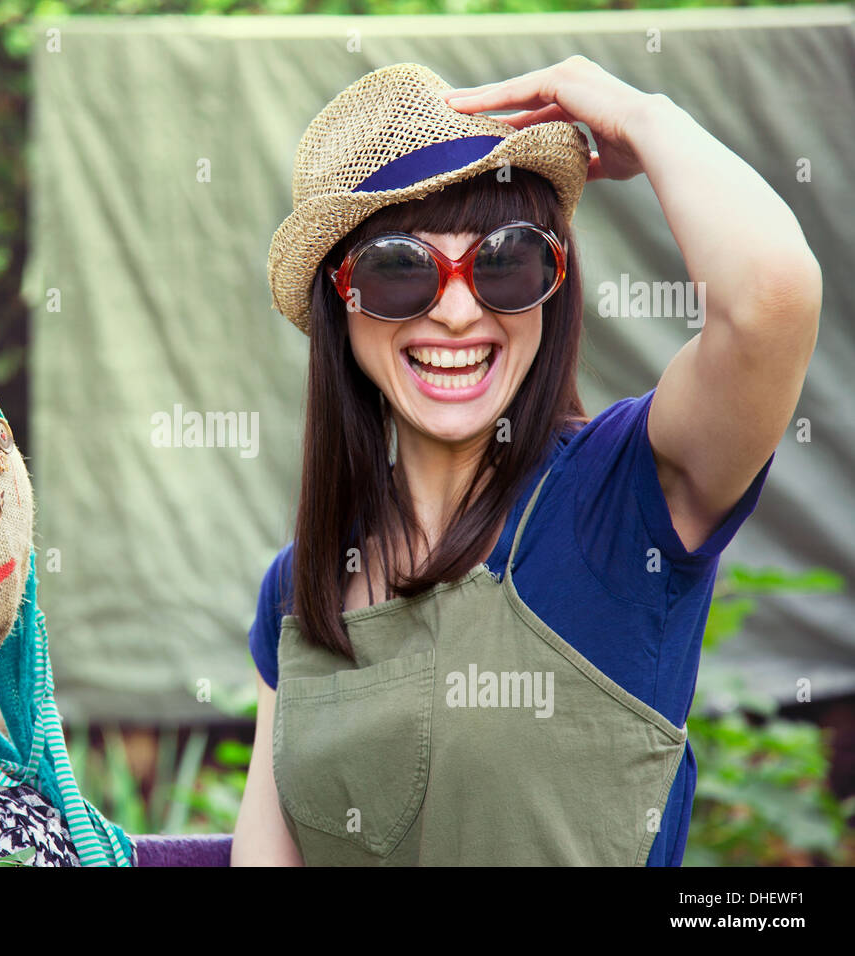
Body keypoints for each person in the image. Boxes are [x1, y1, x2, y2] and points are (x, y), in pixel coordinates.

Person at [231, 58, 820, 866]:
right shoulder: (300, 587)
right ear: (344, 301)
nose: (460, 309)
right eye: (401, 269)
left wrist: (643, 118)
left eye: (505, 260)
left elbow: (771, 299)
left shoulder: (624, 496)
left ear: (553, 285)